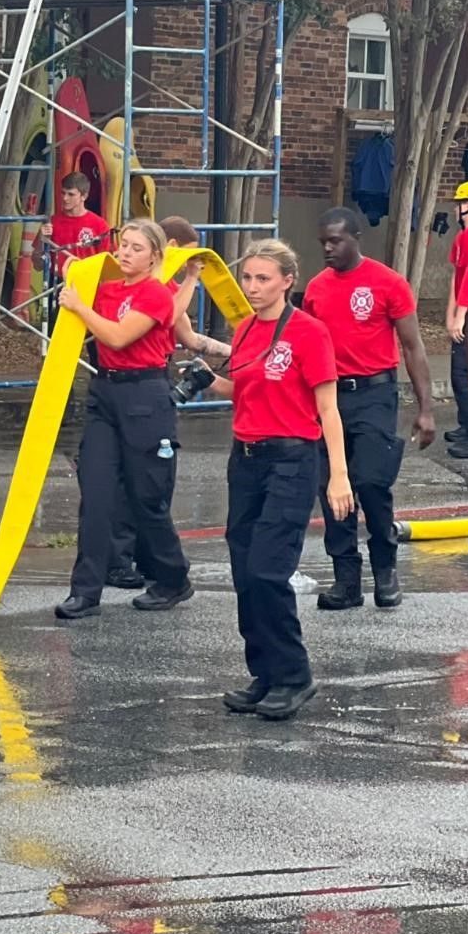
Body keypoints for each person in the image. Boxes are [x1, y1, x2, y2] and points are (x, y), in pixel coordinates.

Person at [209, 238, 353, 721]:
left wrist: (337, 476)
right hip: (245, 458)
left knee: (269, 569)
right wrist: (205, 378)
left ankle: (294, 675)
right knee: (245, 572)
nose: (252, 287)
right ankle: (265, 671)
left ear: (288, 281)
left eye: (263, 278)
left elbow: (328, 409)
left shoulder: (309, 333)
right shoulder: (248, 328)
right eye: (248, 277)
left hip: (292, 459)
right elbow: (244, 389)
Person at [53, 218, 194, 622]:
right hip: (106, 393)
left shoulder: (157, 294)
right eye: (123, 245)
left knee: (146, 497)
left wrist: (80, 306)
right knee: (96, 494)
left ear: (155, 256)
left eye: (135, 247)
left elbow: (117, 337)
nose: (125, 253)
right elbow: (72, 276)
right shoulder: (109, 287)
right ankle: (85, 592)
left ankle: (173, 577)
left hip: (145, 395)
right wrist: (73, 277)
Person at [303, 208, 434, 610]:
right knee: (334, 489)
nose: (328, 247)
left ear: (356, 237)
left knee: (372, 484)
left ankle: (385, 569)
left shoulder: (387, 283)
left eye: (336, 240)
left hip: (374, 395)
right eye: (323, 241)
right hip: (329, 397)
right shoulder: (316, 289)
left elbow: (413, 347)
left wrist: (426, 408)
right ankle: (346, 579)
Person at [104, 216, 233, 590]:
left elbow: (189, 337)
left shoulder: (165, 285)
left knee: (148, 478)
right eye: (188, 257)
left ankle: (141, 558)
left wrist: (239, 351)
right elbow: (168, 314)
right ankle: (122, 559)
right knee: (133, 478)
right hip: (132, 383)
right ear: (171, 248)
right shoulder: (151, 285)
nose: (190, 265)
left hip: (149, 382)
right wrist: (192, 278)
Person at [445, 180, 468, 452]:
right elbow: (457, 277)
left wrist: (460, 316)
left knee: (466, 371)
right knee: (460, 371)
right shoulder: (461, 239)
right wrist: (451, 313)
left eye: (460, 204)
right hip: (466, 311)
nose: (456, 209)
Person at [39, 173, 112, 267]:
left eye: (71, 194)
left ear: (84, 196)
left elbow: (105, 265)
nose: (65, 198)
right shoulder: (51, 223)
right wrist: (42, 241)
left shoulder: (100, 225)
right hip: (58, 280)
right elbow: (38, 266)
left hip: (87, 279)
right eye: (63, 193)